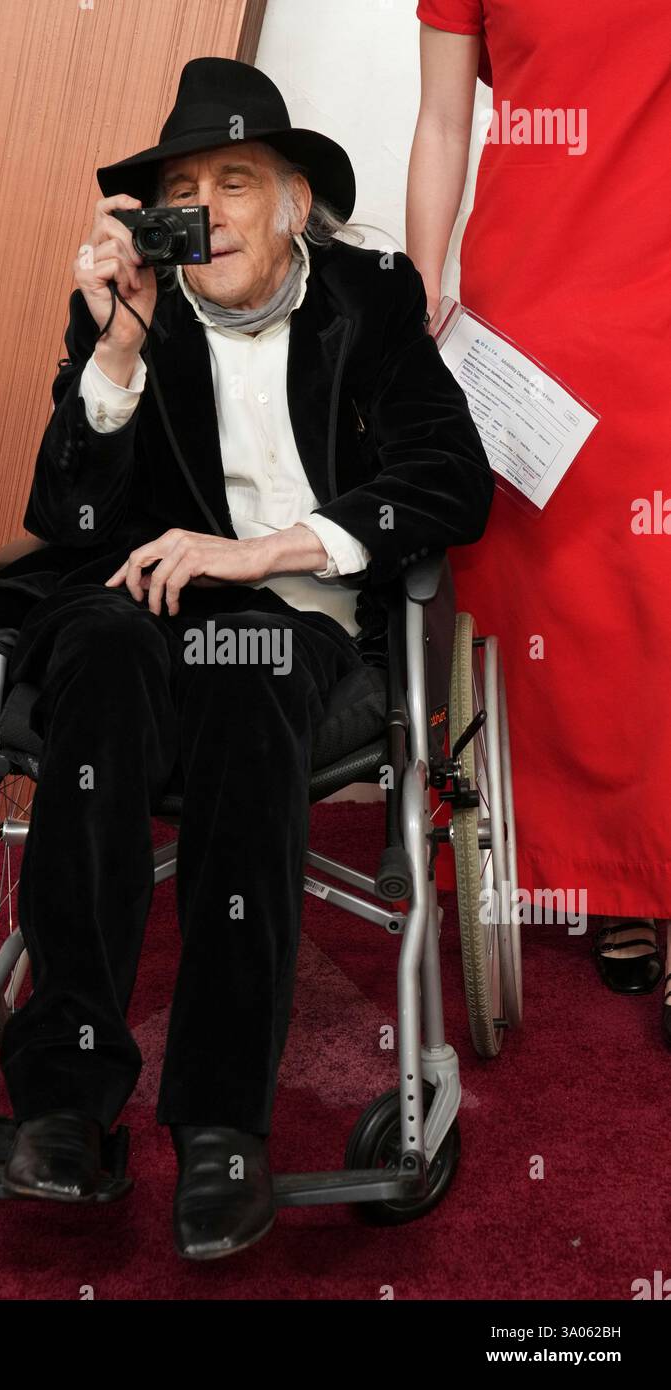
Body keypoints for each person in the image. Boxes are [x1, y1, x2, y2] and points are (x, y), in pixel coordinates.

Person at [0, 57, 493, 1259]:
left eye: (237, 180)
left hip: (287, 621)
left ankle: (219, 1123)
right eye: (185, 187)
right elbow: (69, 520)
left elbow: (448, 480)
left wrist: (267, 553)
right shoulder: (141, 309)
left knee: (245, 665)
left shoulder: (370, 297)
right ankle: (64, 1104)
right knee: (89, 641)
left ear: (296, 199)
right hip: (137, 611)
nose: (211, 210)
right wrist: (118, 356)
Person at [406, 2, 671, 1034]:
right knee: (561, 604)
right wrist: (421, 283)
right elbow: (439, 120)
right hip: (539, 308)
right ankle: (608, 878)